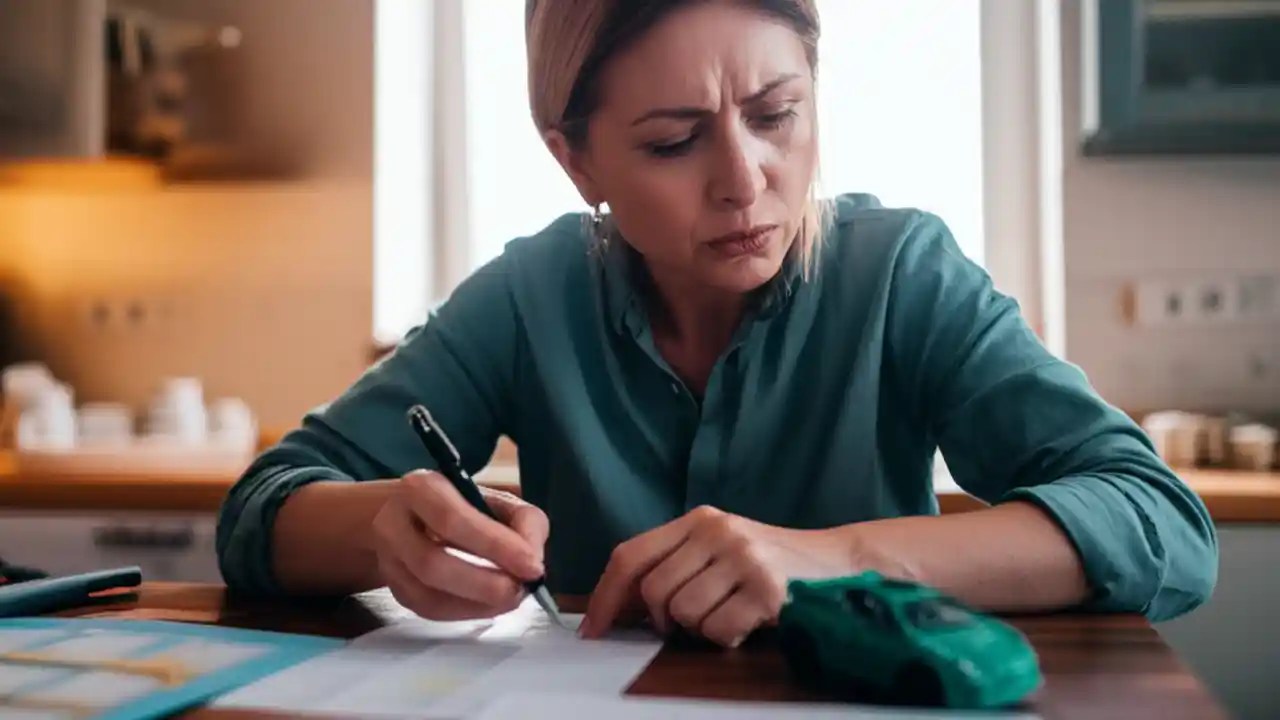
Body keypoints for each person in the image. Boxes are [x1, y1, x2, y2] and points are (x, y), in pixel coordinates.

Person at [217, 0, 1217, 648]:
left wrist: (835, 559)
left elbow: (1161, 525)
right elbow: (263, 508)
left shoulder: (900, 273)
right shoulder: (530, 296)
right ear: (577, 161)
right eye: (673, 141)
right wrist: (386, 532)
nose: (744, 182)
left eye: (776, 116)